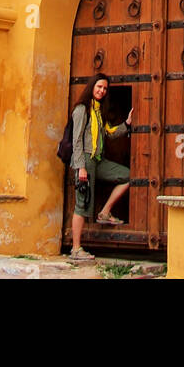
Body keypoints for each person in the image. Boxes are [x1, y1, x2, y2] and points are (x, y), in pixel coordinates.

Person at [69, 73, 133, 261]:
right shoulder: (82, 109)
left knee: (127, 176)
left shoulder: (99, 111)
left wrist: (127, 124)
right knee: (82, 204)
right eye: (99, 87)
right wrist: (81, 167)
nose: (102, 91)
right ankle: (76, 249)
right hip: (85, 161)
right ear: (92, 87)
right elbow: (76, 140)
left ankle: (105, 212)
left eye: (105, 88)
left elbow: (109, 133)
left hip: (98, 160)